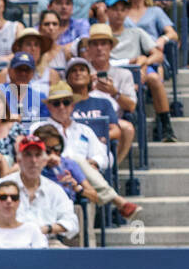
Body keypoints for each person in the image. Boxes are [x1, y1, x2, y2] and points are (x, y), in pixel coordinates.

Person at [33, 81, 142, 217]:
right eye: (56, 103)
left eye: (66, 102)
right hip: (48, 174)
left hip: (82, 179)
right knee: (76, 161)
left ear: (73, 106)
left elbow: (104, 155)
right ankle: (117, 200)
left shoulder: (84, 130)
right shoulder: (38, 128)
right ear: (49, 107)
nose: (61, 107)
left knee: (83, 177)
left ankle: (90, 236)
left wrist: (94, 163)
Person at [105, 0, 175, 137]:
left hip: (135, 73)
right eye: (114, 9)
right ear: (107, 11)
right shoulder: (101, 34)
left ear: (127, 12)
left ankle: (165, 125)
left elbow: (158, 55)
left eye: (122, 9)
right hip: (109, 73)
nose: (119, 13)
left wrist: (143, 63)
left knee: (154, 78)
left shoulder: (136, 32)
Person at [0, 135, 79, 242]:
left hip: (47, 243)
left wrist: (45, 229)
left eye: (38, 155)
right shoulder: (1, 186)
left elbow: (72, 224)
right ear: (18, 160)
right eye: (28, 155)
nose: (33, 160)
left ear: (44, 161)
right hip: (9, 243)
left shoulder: (55, 190)